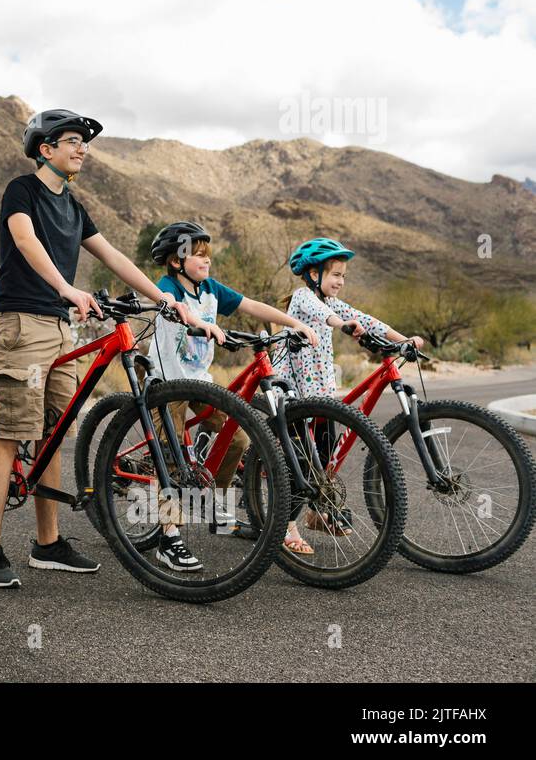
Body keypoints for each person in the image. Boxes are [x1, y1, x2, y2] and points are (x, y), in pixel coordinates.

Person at [0, 109, 186, 589]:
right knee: (11, 431)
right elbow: (25, 241)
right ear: (45, 149)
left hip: (58, 327)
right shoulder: (22, 190)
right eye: (72, 141)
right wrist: (65, 287)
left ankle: (46, 543)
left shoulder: (73, 204)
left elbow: (110, 254)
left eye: (84, 143)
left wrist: (166, 300)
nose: (81, 149)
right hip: (22, 321)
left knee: (52, 432)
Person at [144, 221, 319, 568]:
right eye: (198, 256)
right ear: (177, 262)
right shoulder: (168, 287)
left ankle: (208, 500)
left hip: (199, 381)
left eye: (207, 255)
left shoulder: (210, 289)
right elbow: (166, 302)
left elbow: (251, 305)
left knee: (237, 438)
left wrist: (294, 323)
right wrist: (198, 321)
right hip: (167, 384)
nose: (206, 261)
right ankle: (169, 537)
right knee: (172, 455)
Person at [278, 237, 423, 546]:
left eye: (343, 275)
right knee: (303, 462)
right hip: (294, 396)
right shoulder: (303, 296)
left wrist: (404, 340)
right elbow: (322, 314)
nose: (341, 281)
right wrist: (342, 324)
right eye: (335, 274)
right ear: (314, 274)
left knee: (327, 453)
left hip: (322, 398)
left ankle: (317, 512)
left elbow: (368, 320)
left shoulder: (332, 302)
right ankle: (286, 527)